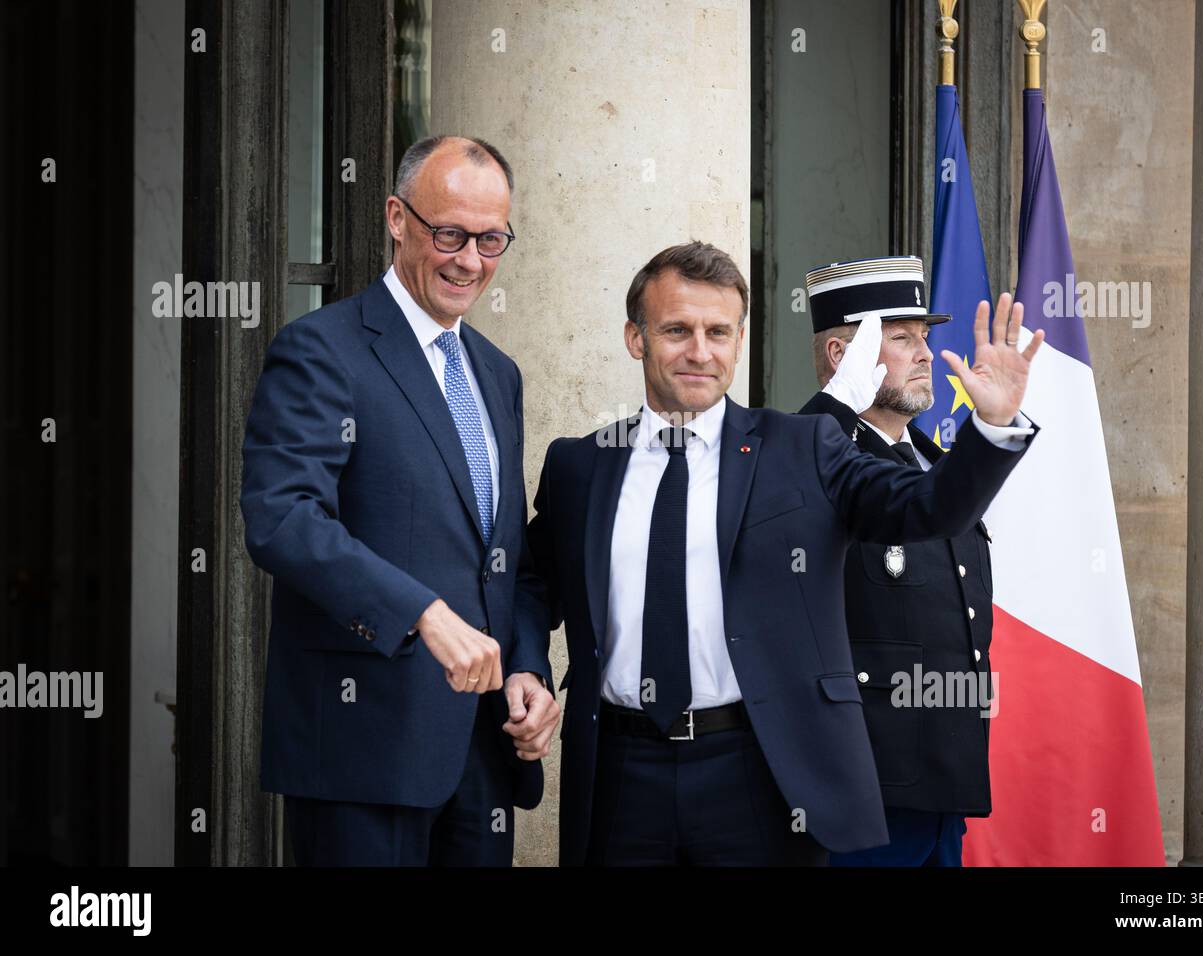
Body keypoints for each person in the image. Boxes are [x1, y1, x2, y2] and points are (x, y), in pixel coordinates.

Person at [521, 241, 1043, 865]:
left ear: (740, 341)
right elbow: (530, 583)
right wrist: (528, 667)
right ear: (636, 338)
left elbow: (925, 507)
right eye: (676, 330)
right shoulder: (580, 465)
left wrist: (992, 432)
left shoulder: (799, 447)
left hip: (754, 772)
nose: (699, 351)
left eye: (719, 331)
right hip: (618, 770)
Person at [240, 135, 559, 866]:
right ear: (395, 217)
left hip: (485, 758)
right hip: (363, 752)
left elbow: (507, 559)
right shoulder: (320, 349)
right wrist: (422, 612)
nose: (469, 260)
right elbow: (282, 518)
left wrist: (527, 667)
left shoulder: (497, 373)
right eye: (448, 233)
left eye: (490, 240)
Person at [798, 256, 1001, 866]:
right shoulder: (811, 459)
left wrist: (994, 425)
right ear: (842, 356)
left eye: (926, 337)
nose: (924, 354)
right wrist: (830, 407)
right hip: (866, 790)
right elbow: (781, 484)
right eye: (900, 337)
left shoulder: (936, 467)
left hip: (945, 782)